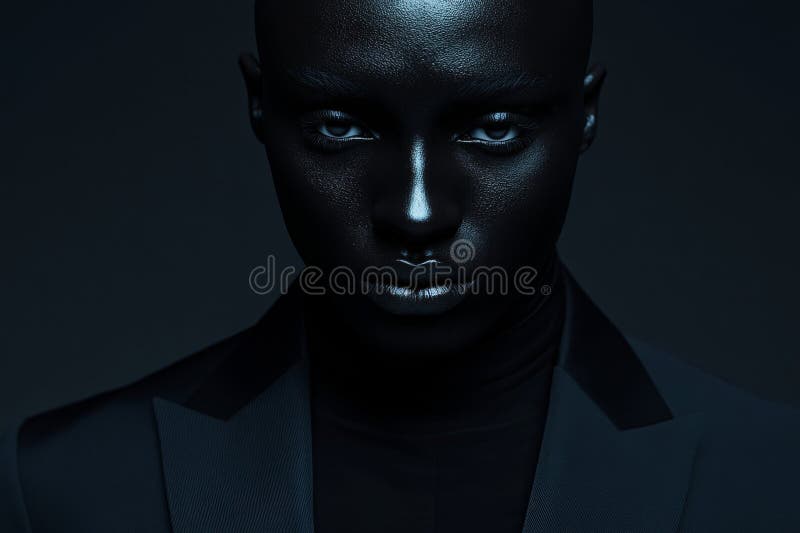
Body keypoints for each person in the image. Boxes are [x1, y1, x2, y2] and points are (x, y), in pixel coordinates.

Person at [2, 0, 798, 531]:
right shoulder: (67, 486)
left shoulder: (772, 484)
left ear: (583, 115)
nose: (416, 213)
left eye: (492, 128)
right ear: (261, 106)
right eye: (342, 127)